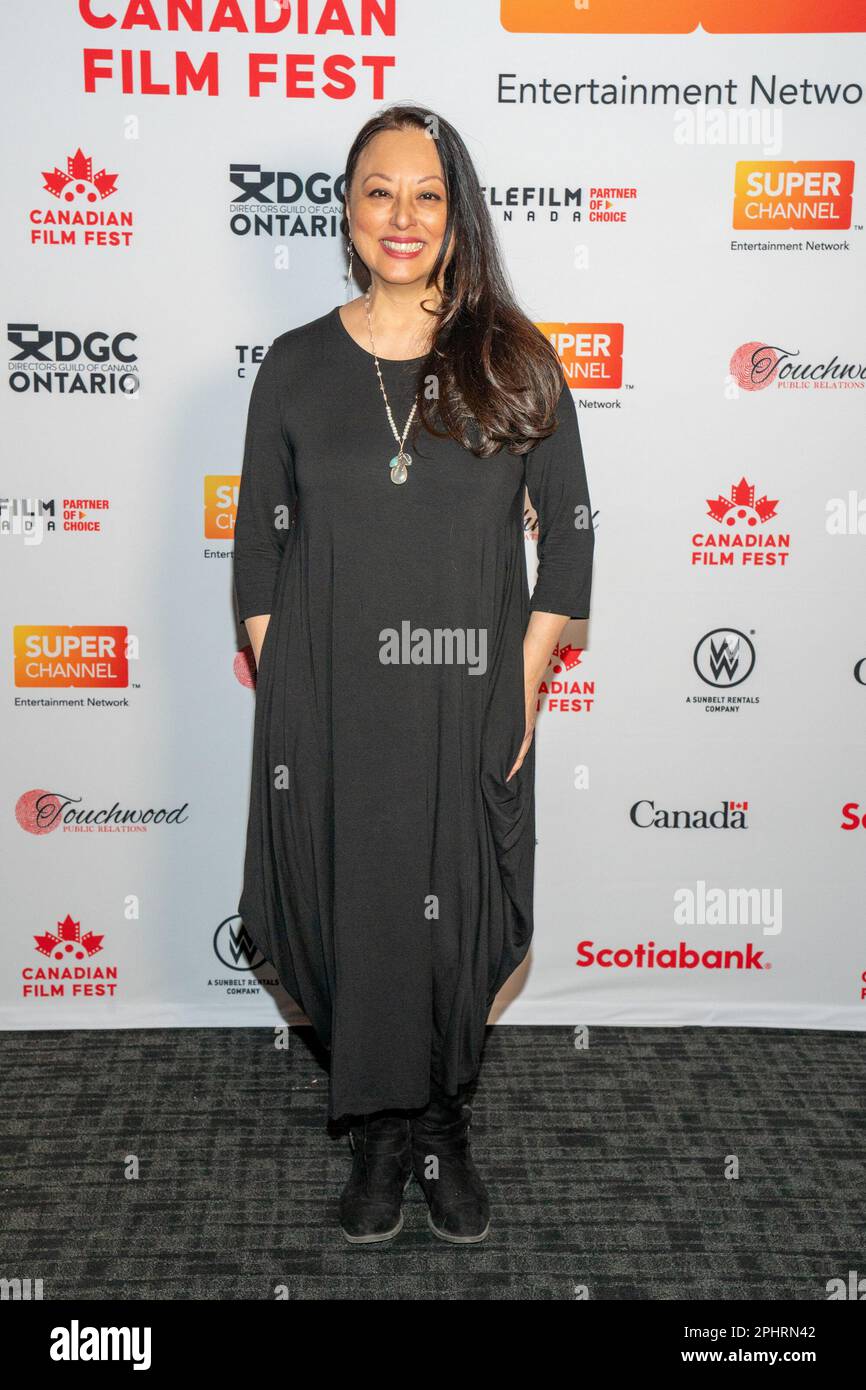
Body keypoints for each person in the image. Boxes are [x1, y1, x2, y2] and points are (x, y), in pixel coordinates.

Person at [233, 104, 594, 1245]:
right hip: (332, 707)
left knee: (458, 919)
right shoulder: (291, 367)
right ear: (345, 206)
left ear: (456, 213)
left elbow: (569, 537)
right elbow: (255, 548)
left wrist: (523, 684)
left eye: (426, 194)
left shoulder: (510, 359)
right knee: (351, 912)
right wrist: (283, 684)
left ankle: (441, 1120)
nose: (402, 215)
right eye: (379, 190)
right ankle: (380, 1132)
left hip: (463, 699)